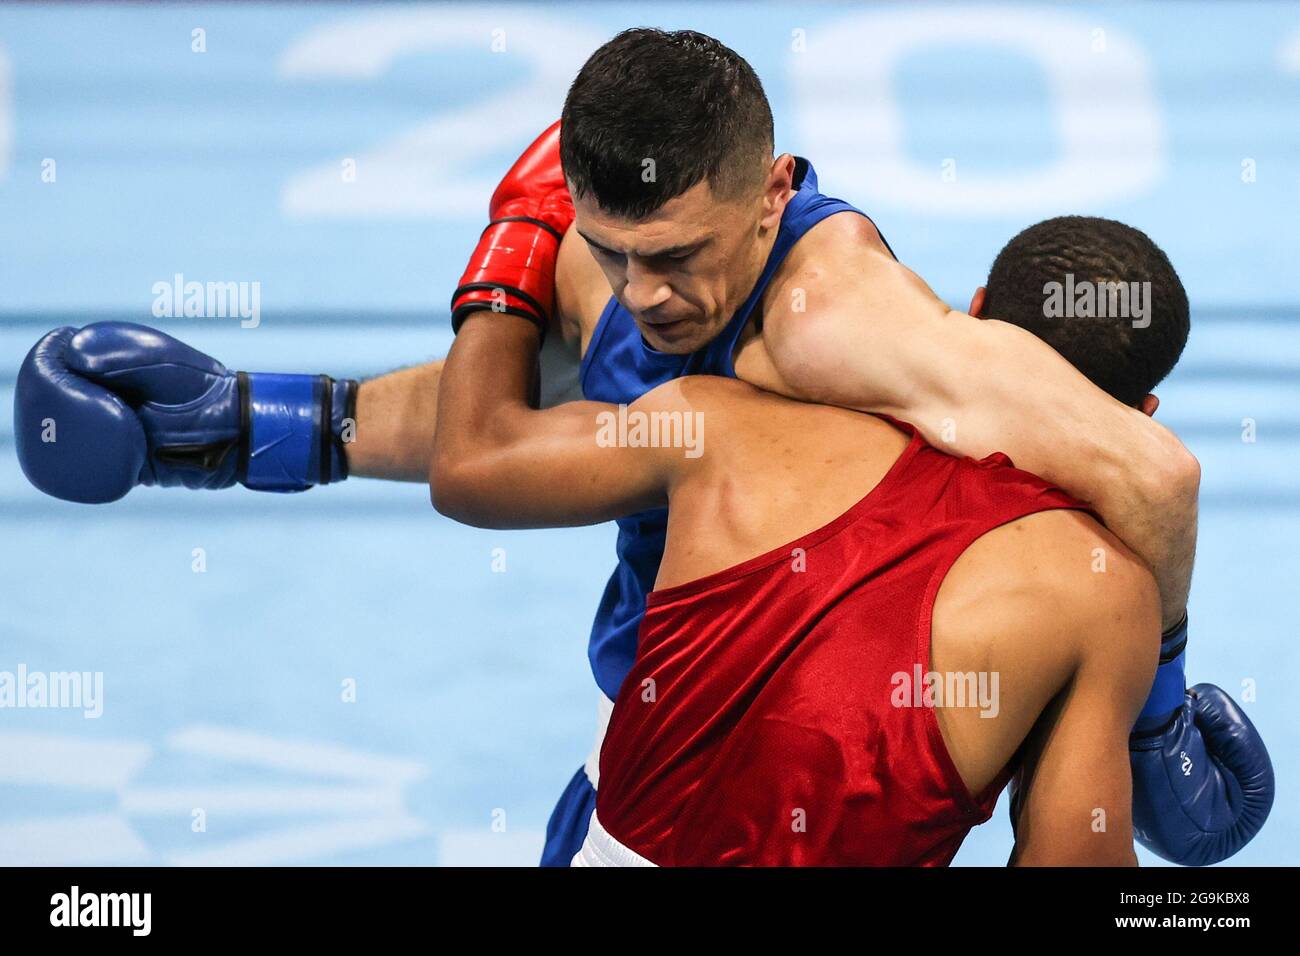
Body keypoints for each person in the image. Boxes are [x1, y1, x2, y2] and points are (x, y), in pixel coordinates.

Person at [14, 30, 1241, 866]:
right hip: (656, 759)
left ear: (770, 193)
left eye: (676, 260)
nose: (644, 295)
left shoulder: (835, 325)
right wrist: (262, 424)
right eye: (614, 255)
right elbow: (548, 419)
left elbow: (1154, 474)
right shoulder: (631, 269)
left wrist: (1153, 713)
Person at [432, 215, 1272, 865]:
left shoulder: (728, 418)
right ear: (1145, 415)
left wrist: (516, 248)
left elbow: (470, 462)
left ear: (974, 314)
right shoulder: (1102, 597)